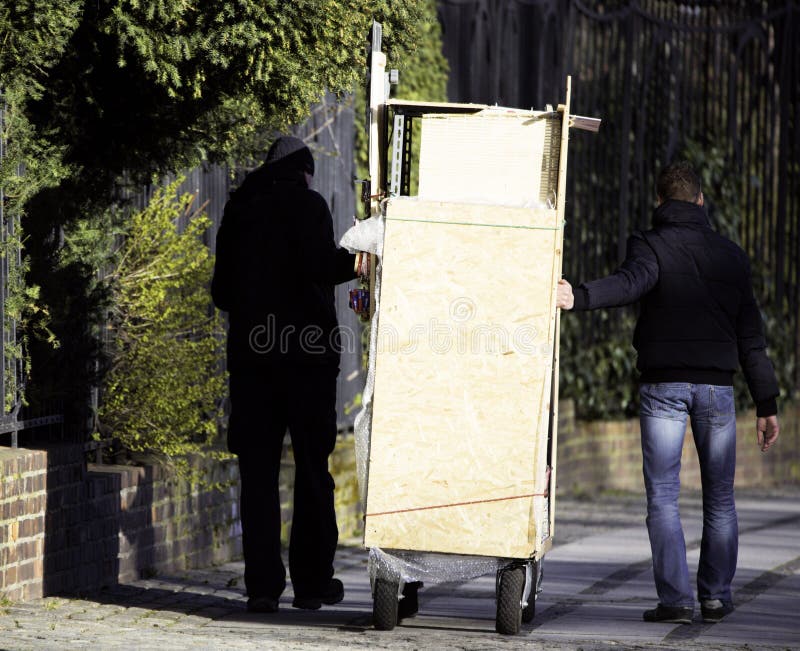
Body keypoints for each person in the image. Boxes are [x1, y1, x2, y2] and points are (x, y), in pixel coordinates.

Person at [556, 160, 780, 625]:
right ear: (700, 200)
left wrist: (579, 296)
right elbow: (751, 338)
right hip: (717, 391)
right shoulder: (732, 257)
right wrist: (766, 402)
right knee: (720, 498)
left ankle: (676, 600)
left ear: (660, 202)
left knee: (662, 496)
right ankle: (715, 596)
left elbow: (629, 283)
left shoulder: (651, 245)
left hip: (662, 388)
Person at [211, 136, 357, 613]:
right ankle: (312, 585)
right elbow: (320, 265)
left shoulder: (239, 209)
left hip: (254, 363)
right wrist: (357, 258)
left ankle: (262, 587)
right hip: (308, 361)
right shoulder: (310, 204)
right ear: (304, 171)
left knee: (257, 472)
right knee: (313, 470)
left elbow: (222, 293)